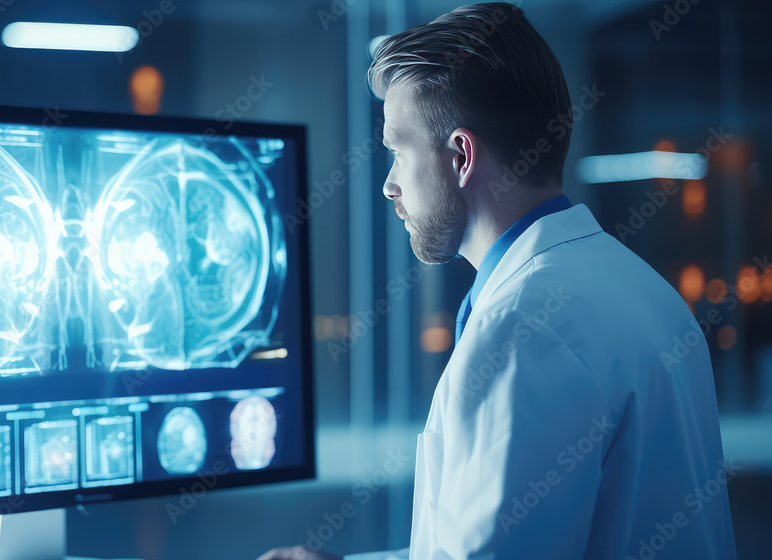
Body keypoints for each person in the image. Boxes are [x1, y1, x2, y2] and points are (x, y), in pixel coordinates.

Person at [258, 2, 737, 559]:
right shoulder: (644, 290)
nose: (389, 186)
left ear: (461, 156)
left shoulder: (522, 328)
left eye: (396, 151)